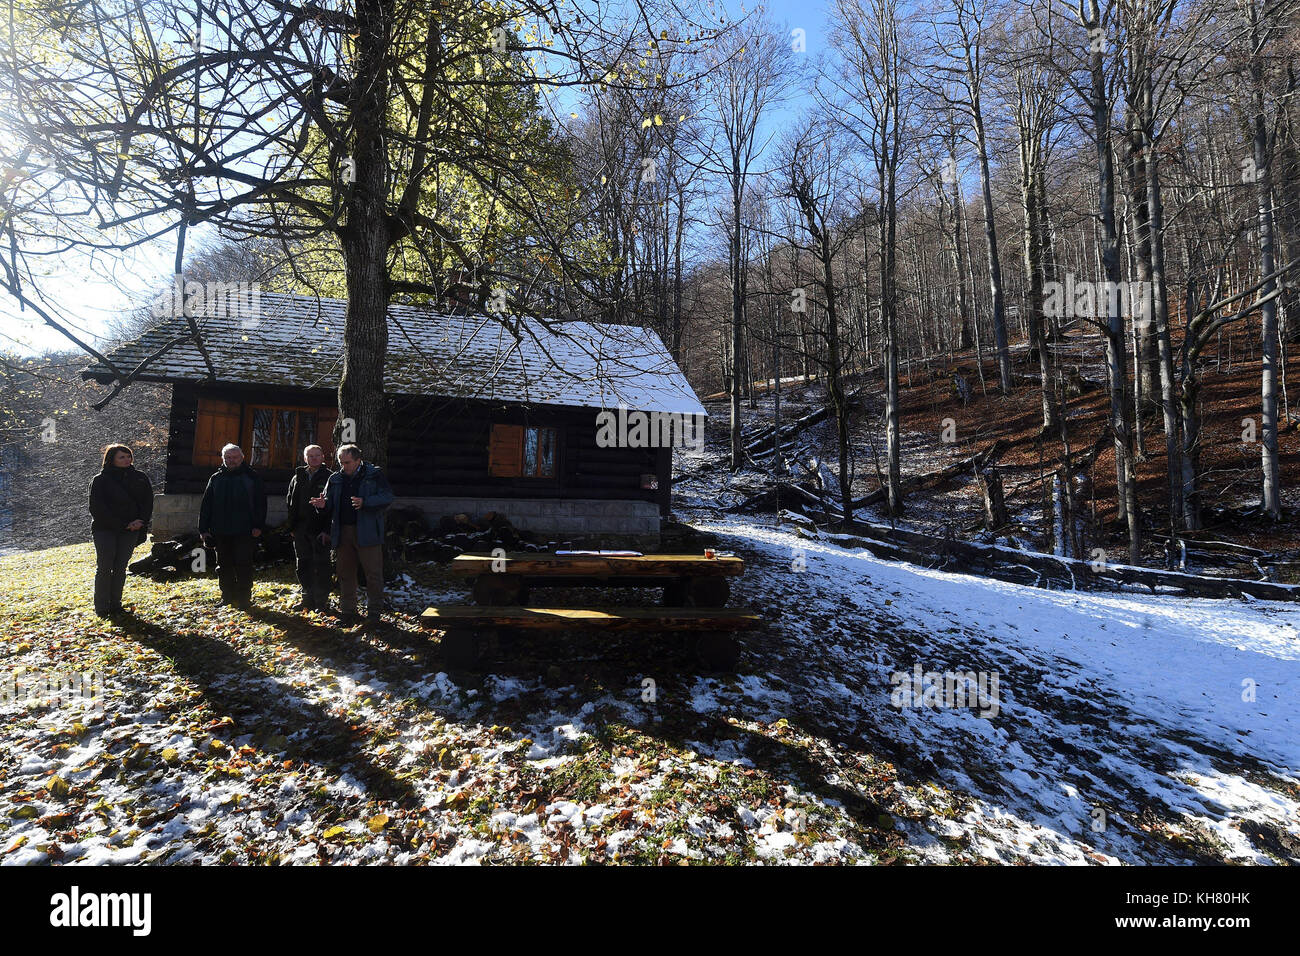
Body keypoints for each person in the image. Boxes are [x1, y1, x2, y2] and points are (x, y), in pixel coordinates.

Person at [312, 444, 393, 629]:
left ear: (358, 460)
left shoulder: (374, 474)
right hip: (343, 531)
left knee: (373, 575)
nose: (344, 466)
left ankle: (374, 614)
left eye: (348, 462)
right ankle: (348, 612)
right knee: (345, 574)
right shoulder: (335, 478)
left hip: (368, 531)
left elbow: (388, 497)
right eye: (341, 462)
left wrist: (366, 502)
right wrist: (322, 505)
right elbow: (328, 504)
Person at [198, 443, 266, 610]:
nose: (231, 460)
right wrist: (203, 529)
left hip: (245, 529)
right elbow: (206, 505)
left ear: (242, 458)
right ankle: (227, 597)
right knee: (223, 566)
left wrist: (258, 525)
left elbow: (261, 504)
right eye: (228, 457)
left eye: (235, 457)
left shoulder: (252, 477)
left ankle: (244, 599)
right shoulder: (215, 478)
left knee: (244, 564)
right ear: (223, 459)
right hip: (220, 530)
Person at [88, 444, 153, 618]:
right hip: (105, 530)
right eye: (121, 457)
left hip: (132, 529)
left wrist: (141, 522)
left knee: (120, 567)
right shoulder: (100, 480)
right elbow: (97, 508)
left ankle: (115, 604)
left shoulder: (140, 478)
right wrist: (123, 524)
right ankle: (102, 607)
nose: (126, 460)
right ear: (111, 460)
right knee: (104, 567)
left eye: (128, 456)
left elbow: (147, 502)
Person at [285, 444, 333, 611]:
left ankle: (321, 603)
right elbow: (290, 502)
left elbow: (333, 508)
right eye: (310, 456)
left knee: (321, 566)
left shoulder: (330, 477)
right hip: (300, 529)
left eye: (317, 455)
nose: (313, 458)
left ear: (323, 457)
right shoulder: (297, 477)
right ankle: (307, 600)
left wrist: (328, 530)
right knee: (303, 565)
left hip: (320, 530)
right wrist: (291, 527)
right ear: (305, 458)